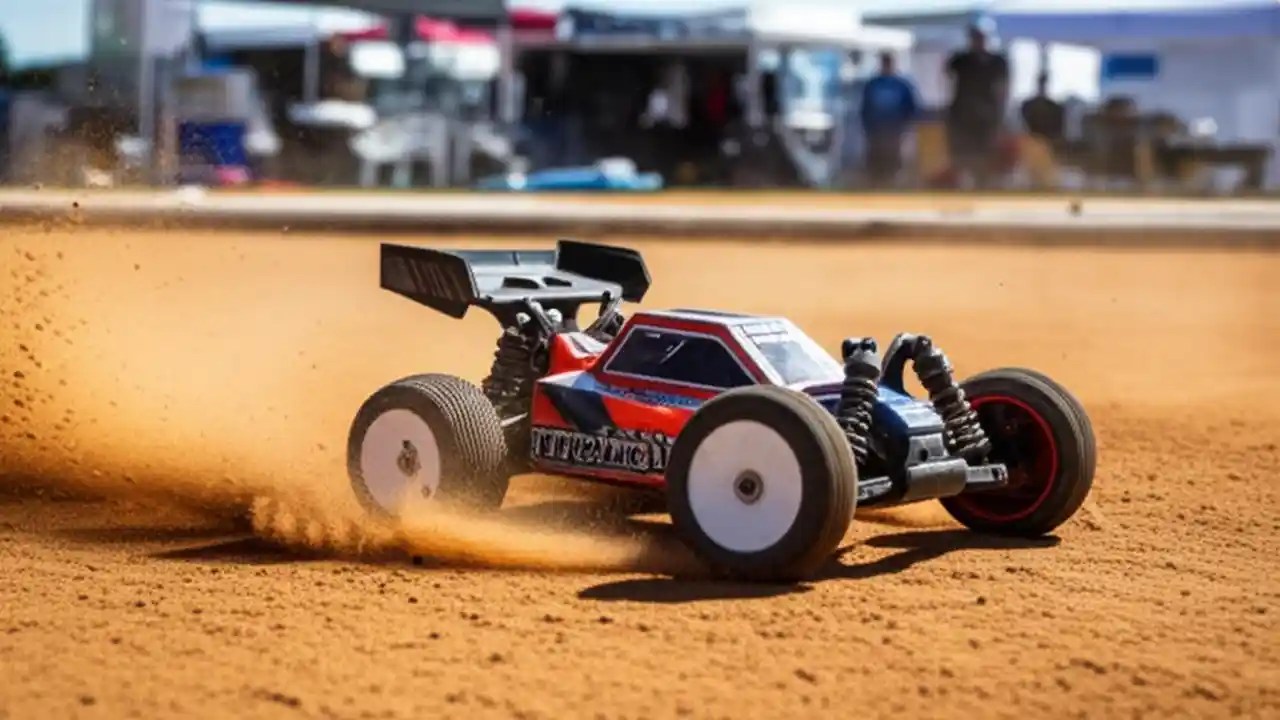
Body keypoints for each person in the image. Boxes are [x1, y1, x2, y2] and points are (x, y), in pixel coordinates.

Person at [944, 21, 1010, 189]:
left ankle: (983, 187)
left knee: (985, 158)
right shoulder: (960, 61)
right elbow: (947, 81)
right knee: (962, 157)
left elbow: (1002, 89)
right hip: (962, 117)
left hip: (986, 118)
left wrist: (1000, 116)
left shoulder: (997, 62)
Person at [859, 51, 920, 187]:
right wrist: (867, 126)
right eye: (884, 62)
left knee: (892, 157)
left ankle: (891, 181)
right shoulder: (873, 84)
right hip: (876, 129)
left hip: (895, 129)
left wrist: (906, 126)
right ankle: (875, 182)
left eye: (888, 62)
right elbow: (865, 107)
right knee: (876, 157)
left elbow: (911, 107)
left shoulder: (901, 85)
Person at [1020, 73, 1065, 143]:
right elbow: (1023, 129)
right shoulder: (1027, 106)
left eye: (1044, 84)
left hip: (1049, 143)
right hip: (1031, 143)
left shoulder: (1055, 108)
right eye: (1041, 84)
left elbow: (1058, 133)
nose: (1042, 87)